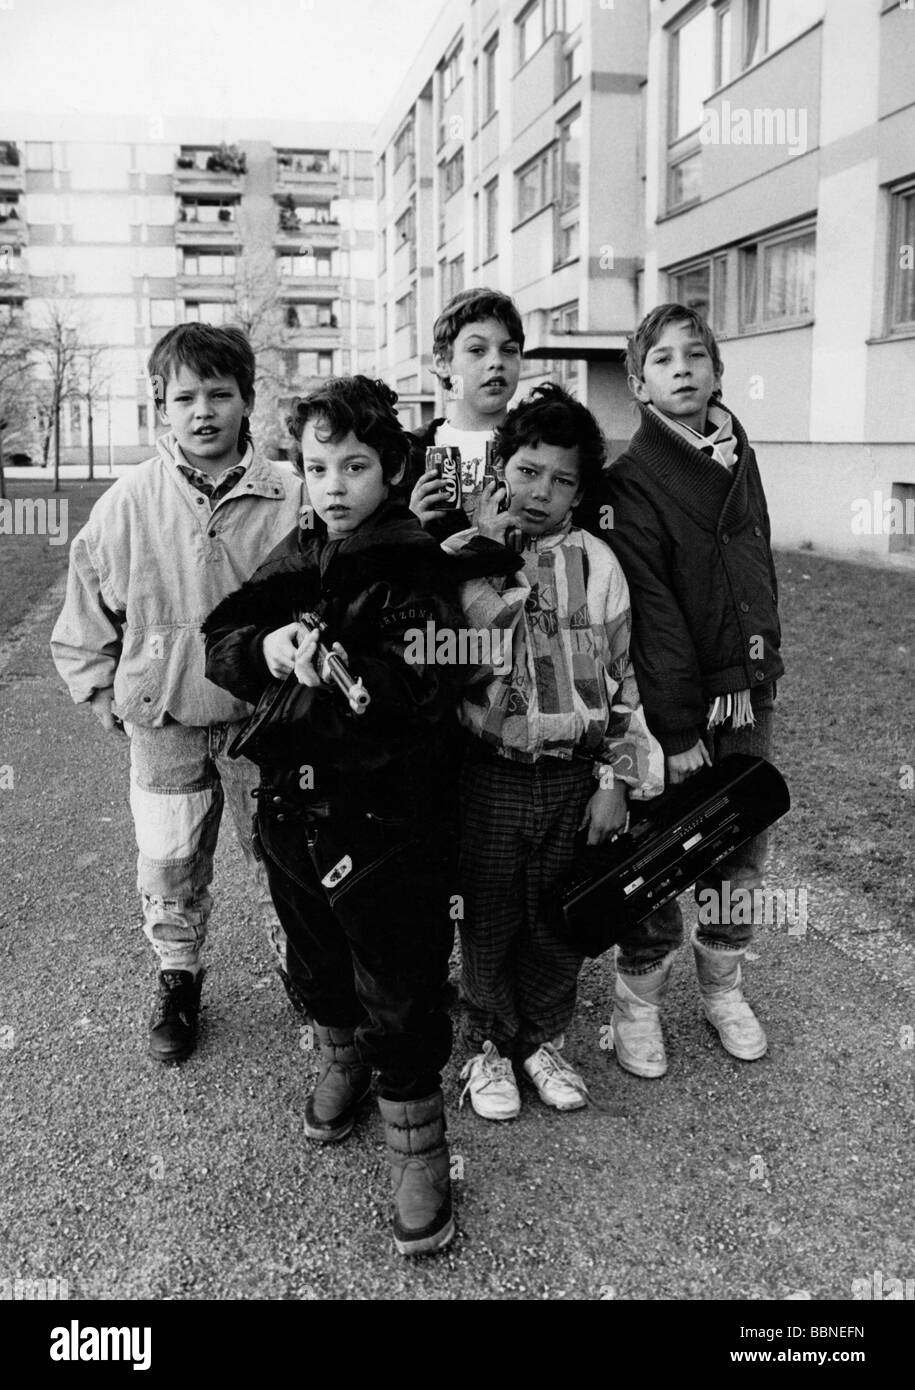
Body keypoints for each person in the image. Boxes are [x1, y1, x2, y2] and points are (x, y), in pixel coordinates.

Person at [203, 375, 519, 1255]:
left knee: (401, 978)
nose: (333, 484)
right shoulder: (297, 553)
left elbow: (424, 690)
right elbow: (219, 641)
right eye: (316, 466)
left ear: (391, 469)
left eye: (354, 465)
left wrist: (346, 671)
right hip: (289, 816)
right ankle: (341, 1063)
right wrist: (270, 647)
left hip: (383, 829)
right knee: (314, 955)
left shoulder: (416, 563)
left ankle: (418, 1143)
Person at [50, 323, 307, 1064]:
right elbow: (85, 614)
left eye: (219, 395)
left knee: (280, 855)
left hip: (268, 722)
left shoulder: (291, 496)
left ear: (246, 403)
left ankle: (304, 968)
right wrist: (107, 696)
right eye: (184, 396)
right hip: (165, 722)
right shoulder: (127, 502)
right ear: (161, 406)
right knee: (168, 862)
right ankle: (178, 974)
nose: (203, 411)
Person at [443, 383, 664, 1121]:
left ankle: (540, 1040)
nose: (541, 492)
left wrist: (616, 780)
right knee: (489, 916)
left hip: (576, 778)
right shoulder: (459, 559)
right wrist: (484, 558)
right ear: (500, 464)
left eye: (562, 479)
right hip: (487, 776)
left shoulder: (598, 565)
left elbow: (626, 682)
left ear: (580, 491)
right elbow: (450, 667)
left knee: (556, 918)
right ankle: (485, 1048)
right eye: (528, 470)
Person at [596, 303, 784, 1078]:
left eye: (695, 355)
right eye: (663, 359)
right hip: (677, 703)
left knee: (740, 844)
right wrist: (674, 730)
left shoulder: (738, 451)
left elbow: (754, 557)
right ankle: (635, 1002)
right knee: (659, 850)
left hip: (748, 684)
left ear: (716, 369)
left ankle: (723, 985)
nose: (682, 368)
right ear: (638, 384)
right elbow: (653, 611)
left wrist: (762, 652)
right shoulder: (631, 479)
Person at [407, 287, 524, 537]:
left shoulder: (541, 445)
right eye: (477, 350)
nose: (496, 362)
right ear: (442, 364)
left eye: (509, 350)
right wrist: (408, 528)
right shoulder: (409, 453)